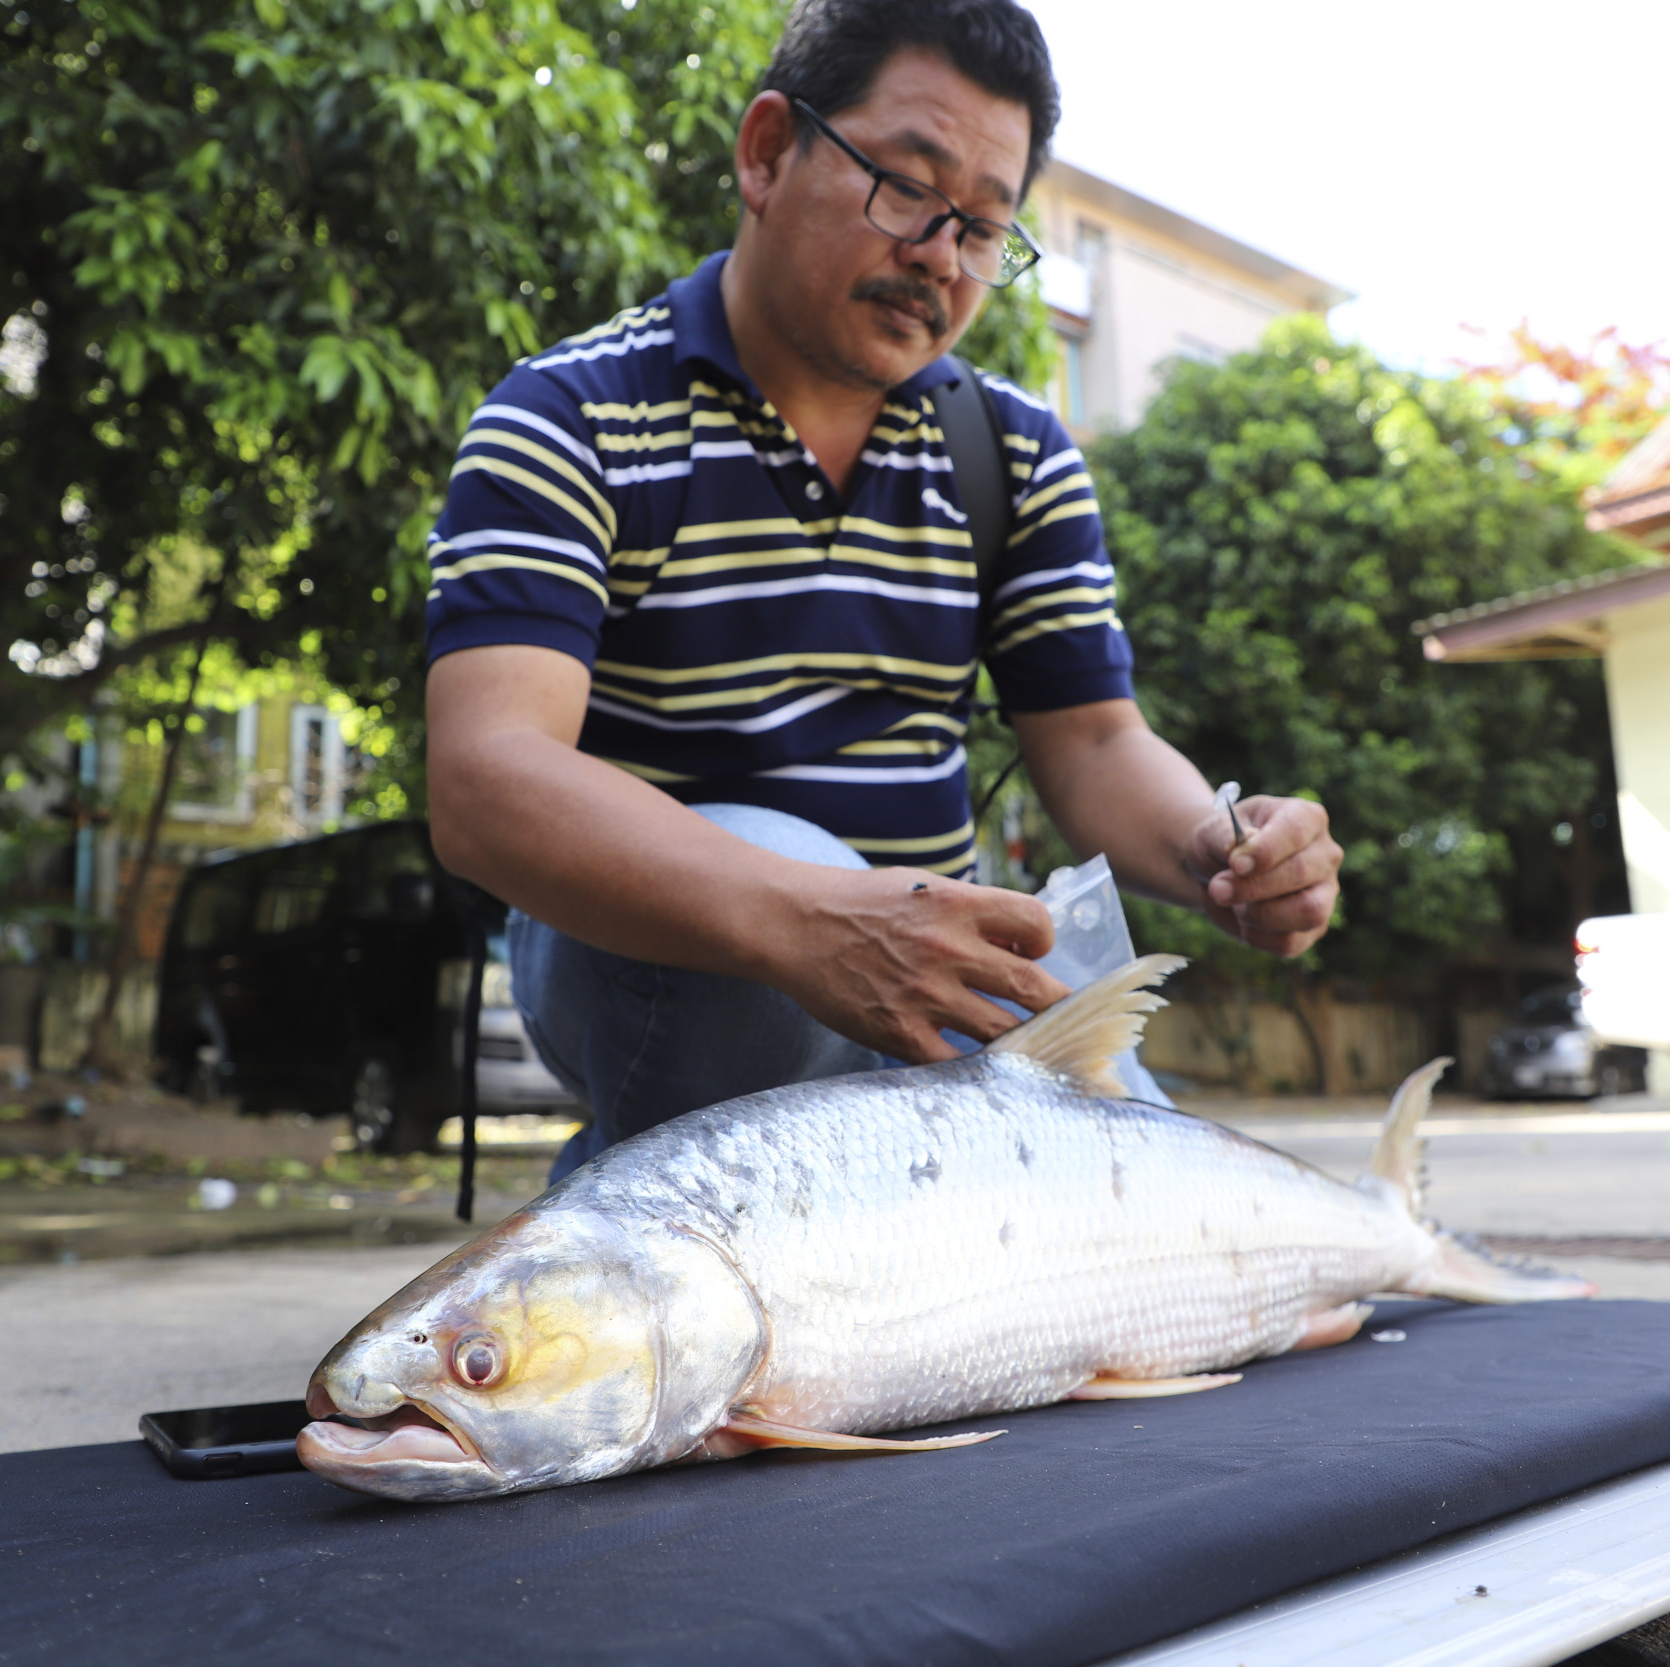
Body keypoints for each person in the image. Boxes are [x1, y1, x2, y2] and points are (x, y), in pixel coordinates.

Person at [424, 0, 1341, 1178]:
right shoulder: (570, 417)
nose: (939, 257)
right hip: (659, 958)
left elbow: (1096, 742)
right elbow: (487, 776)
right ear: (767, 152)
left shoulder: (1013, 454)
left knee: (1172, 1197)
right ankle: (661, 1220)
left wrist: (1224, 844)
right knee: (762, 868)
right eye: (907, 189)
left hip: (935, 967)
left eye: (983, 227)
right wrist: (816, 916)